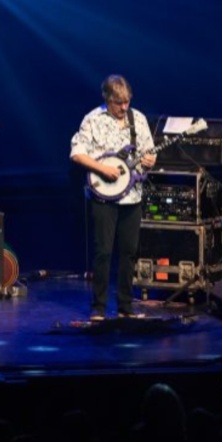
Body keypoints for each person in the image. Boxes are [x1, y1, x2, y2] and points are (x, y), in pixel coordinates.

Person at [70, 74, 156, 320]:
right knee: (104, 252)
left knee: (129, 252)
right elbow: (77, 154)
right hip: (104, 198)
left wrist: (150, 160)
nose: (124, 107)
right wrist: (102, 169)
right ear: (107, 98)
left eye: (127, 102)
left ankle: (126, 307)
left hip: (133, 197)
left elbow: (150, 152)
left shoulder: (137, 119)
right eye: (119, 103)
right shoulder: (92, 119)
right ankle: (98, 308)